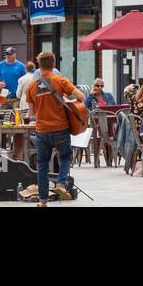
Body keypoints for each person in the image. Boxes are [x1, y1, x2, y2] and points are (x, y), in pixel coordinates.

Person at [25, 51, 84, 206]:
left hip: (42, 130)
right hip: (60, 128)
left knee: (42, 164)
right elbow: (81, 97)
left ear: (39, 65)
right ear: (54, 64)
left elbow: (31, 113)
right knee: (65, 157)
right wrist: (67, 100)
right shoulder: (60, 80)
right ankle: (61, 184)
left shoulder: (31, 87)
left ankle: (43, 201)